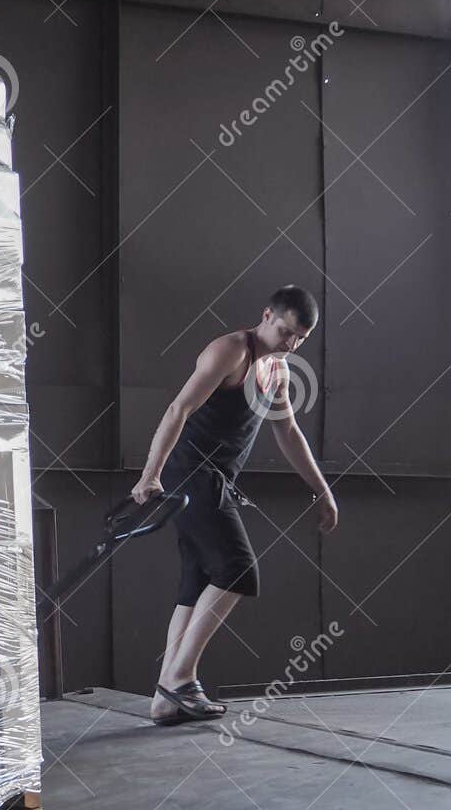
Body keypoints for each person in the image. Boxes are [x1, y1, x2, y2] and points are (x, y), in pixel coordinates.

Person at [131, 286, 338, 724]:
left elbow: (289, 434)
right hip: (190, 473)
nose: (289, 344)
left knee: (197, 580)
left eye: (299, 339)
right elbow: (178, 409)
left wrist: (322, 489)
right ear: (266, 315)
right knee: (238, 570)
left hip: (216, 479)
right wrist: (151, 473)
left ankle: (165, 699)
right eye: (284, 332)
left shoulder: (279, 370)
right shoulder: (229, 351)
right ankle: (180, 678)